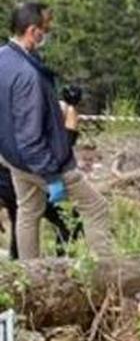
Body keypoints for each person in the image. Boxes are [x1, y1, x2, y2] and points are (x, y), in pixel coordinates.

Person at [0, 2, 110, 258]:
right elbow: (30, 136)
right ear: (31, 31)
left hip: (13, 158)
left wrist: (59, 104)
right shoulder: (27, 75)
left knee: (28, 211)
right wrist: (52, 176)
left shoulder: (4, 57)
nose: (46, 33)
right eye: (44, 29)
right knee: (96, 207)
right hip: (40, 161)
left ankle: (30, 278)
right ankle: (106, 274)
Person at [0, 87, 83, 258]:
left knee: (22, 221)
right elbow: (67, 140)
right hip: (32, 176)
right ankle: (64, 264)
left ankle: (21, 268)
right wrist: (72, 106)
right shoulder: (44, 125)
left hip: (9, 178)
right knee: (69, 220)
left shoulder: (13, 112)